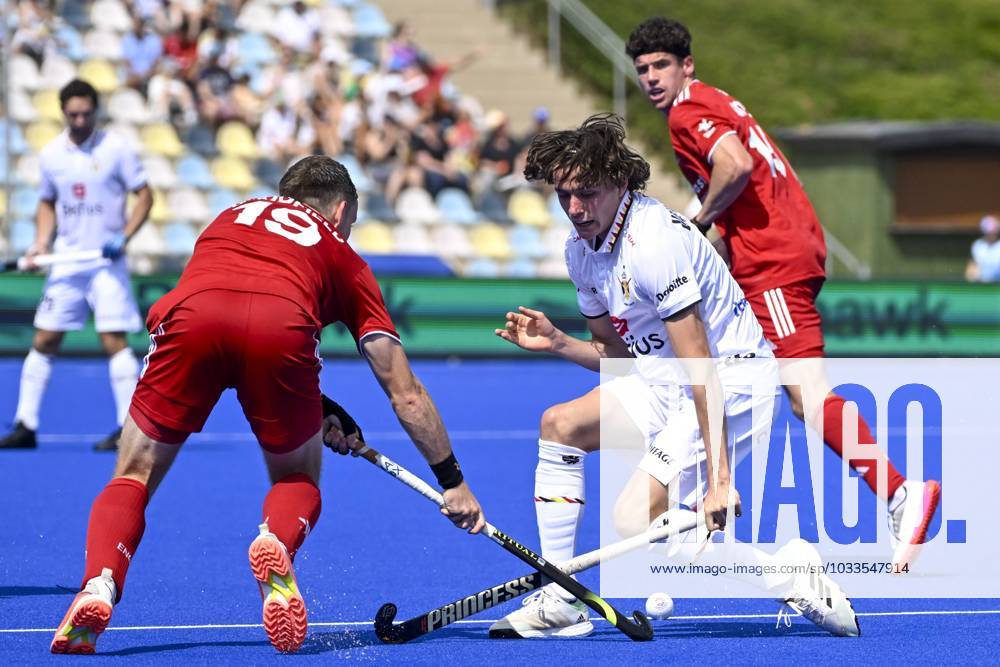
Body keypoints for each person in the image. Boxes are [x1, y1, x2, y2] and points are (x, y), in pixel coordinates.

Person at [48, 156, 486, 655]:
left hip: (193, 317)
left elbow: (230, 317)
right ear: (341, 211)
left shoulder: (229, 215)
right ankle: (275, 541)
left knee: (133, 473)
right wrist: (453, 482)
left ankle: (99, 585)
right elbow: (403, 390)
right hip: (282, 330)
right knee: (296, 477)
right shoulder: (342, 255)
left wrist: (316, 404)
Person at [489, 114, 858, 639]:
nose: (574, 208)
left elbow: (700, 365)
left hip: (730, 382)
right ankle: (558, 600)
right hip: (666, 382)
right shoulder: (581, 251)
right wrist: (558, 343)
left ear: (620, 182)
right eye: (564, 195)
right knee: (559, 425)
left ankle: (787, 574)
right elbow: (621, 357)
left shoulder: (653, 244)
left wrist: (719, 482)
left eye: (587, 193)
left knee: (634, 519)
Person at [625, 17, 939, 567]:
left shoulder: (687, 110)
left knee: (804, 393)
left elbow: (736, 166)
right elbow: (737, 194)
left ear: (686, 66)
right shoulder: (716, 101)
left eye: (661, 66)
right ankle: (706, 495)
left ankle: (899, 492)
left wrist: (692, 224)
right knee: (735, 373)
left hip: (773, 260)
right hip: (780, 249)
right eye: (643, 69)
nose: (652, 77)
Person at [0, 79, 152, 452]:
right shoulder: (51, 155)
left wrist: (125, 235)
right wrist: (40, 242)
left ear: (95, 111)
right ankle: (25, 425)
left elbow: (145, 196)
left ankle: (126, 429)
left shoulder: (116, 149)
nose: (80, 120)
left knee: (112, 340)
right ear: (63, 112)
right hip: (67, 260)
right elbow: (47, 203)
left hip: (105, 262)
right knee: (45, 338)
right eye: (73, 114)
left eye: (86, 113)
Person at [965, 214, 1000, 282]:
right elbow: (972, 267)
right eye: (988, 232)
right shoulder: (977, 245)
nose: (991, 234)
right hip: (982, 285)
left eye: (993, 232)